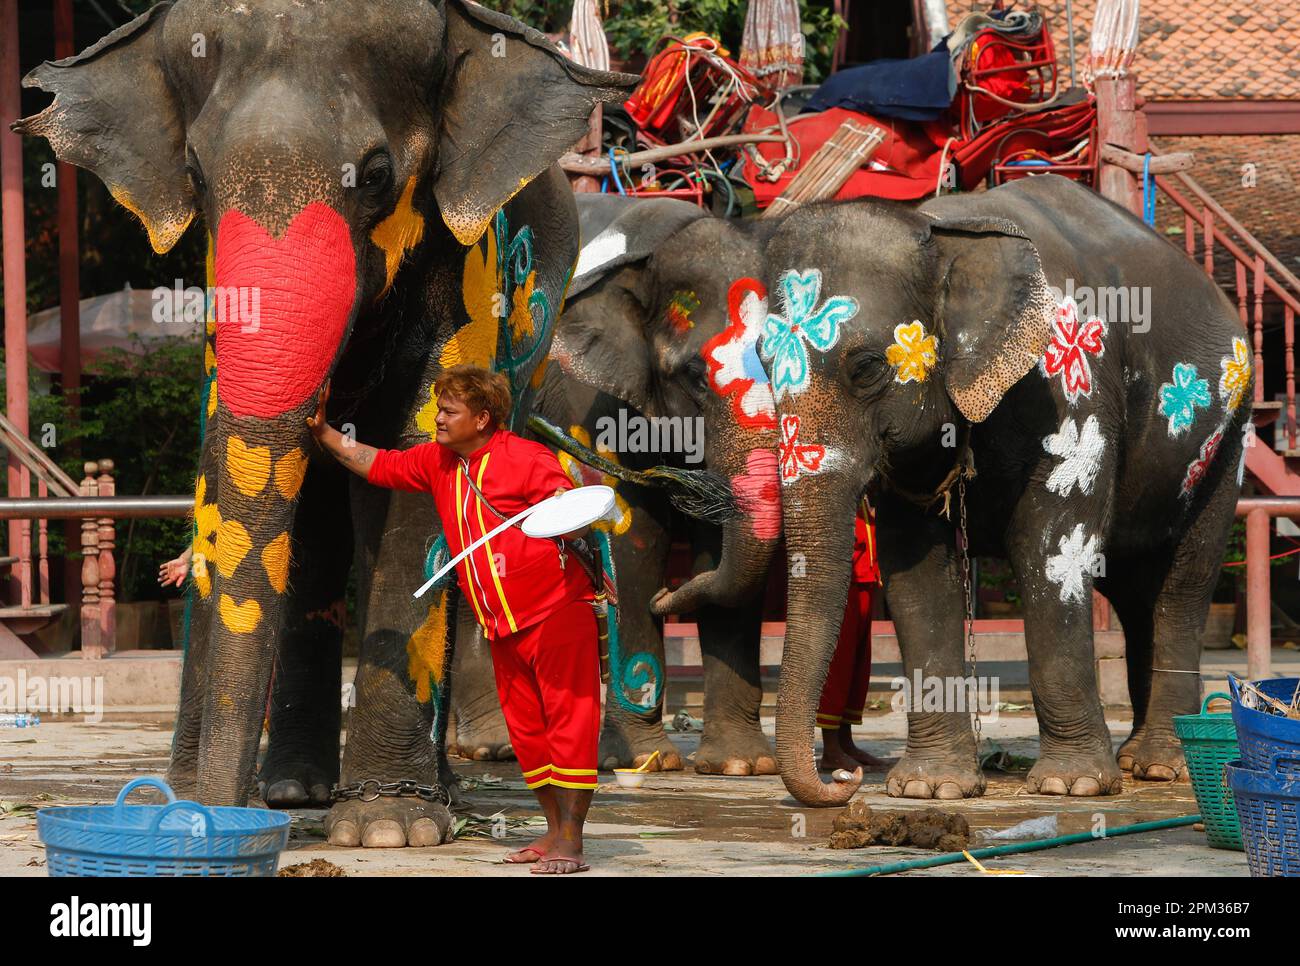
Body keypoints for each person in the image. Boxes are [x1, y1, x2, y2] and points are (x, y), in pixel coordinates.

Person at [307, 364, 599, 875]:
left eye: (449, 410)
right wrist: (324, 432)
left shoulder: (529, 459)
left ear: (482, 417)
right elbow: (377, 463)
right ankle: (551, 832)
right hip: (501, 625)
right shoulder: (439, 463)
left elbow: (568, 514)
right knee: (529, 734)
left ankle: (570, 843)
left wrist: (563, 507)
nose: (437, 418)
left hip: (556, 614)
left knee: (569, 728)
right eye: (439, 408)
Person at [817, 498, 892, 773]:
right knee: (837, 664)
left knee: (857, 667)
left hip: (865, 576)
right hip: (841, 579)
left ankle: (846, 742)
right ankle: (830, 749)